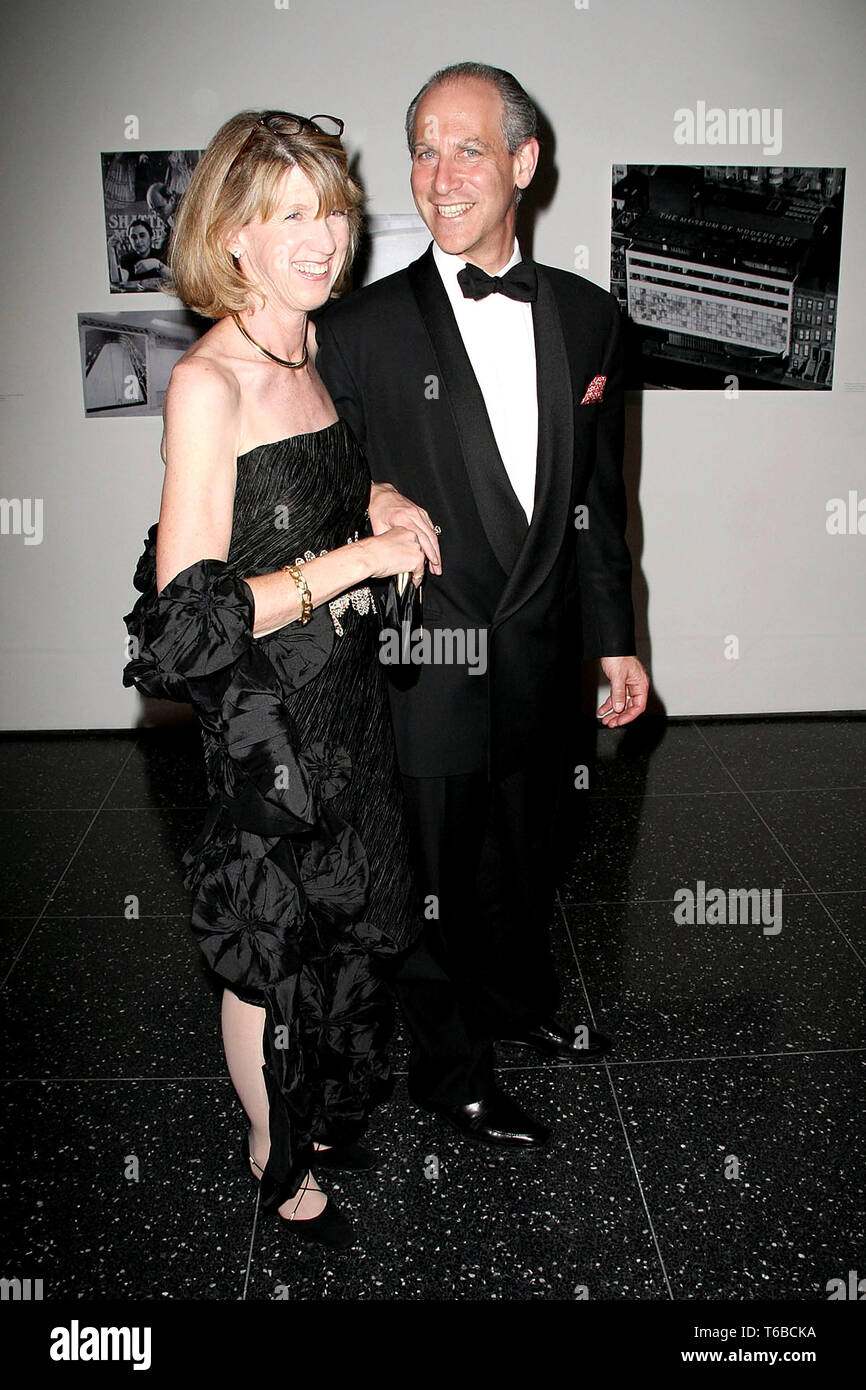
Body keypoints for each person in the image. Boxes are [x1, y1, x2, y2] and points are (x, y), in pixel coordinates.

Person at [315, 63, 650, 1150]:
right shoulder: (357, 329)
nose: (438, 174)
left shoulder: (594, 321)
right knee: (431, 880)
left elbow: (601, 503)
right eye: (421, 146)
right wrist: (364, 490)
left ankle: (517, 1002)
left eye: (465, 148)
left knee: (527, 852)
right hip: (423, 665)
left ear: (520, 164)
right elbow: (307, 488)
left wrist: (615, 644)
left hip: (546, 659)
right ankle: (446, 1069)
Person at [122, 109, 431, 1249]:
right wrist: (356, 557)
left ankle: (315, 1101)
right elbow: (188, 616)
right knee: (268, 944)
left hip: (343, 697)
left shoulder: (313, 343)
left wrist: (383, 503)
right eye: (289, 214)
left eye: (334, 209)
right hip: (265, 720)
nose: (324, 235)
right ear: (233, 237)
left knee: (349, 916)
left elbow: (323, 491)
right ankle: (269, 1147)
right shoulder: (208, 385)